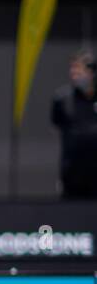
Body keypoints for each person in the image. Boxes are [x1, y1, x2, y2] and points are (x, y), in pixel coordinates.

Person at [51, 49, 97, 199]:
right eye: (72, 69)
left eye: (79, 70)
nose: (73, 74)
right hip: (72, 174)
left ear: (91, 72)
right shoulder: (62, 99)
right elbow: (57, 123)